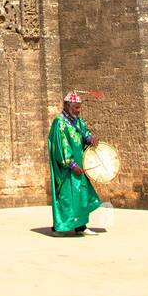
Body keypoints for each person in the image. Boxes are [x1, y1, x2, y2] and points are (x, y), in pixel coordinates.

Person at [47, 90, 101, 235]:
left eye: (79, 107)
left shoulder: (78, 122)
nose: (78, 110)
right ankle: (60, 226)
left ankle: (81, 226)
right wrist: (71, 164)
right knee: (66, 197)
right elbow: (61, 146)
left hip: (80, 165)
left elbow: (85, 134)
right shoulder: (60, 123)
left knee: (81, 195)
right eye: (76, 107)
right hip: (67, 168)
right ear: (67, 106)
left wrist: (90, 139)